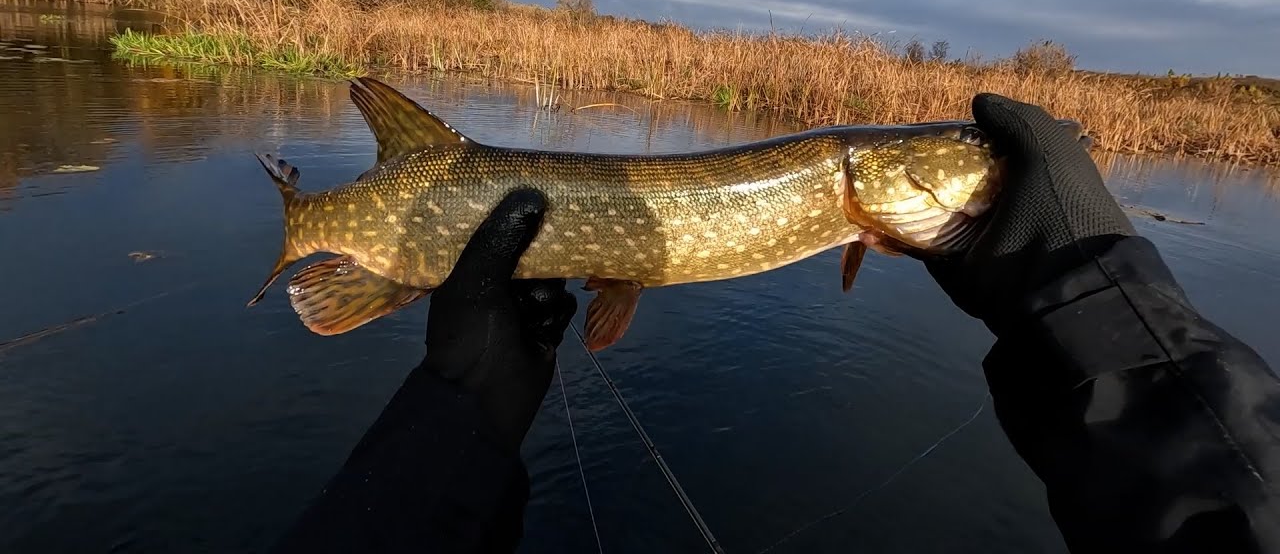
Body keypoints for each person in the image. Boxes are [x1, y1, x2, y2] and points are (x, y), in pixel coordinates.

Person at [270, 94, 1280, 554]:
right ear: (871, 174)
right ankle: (359, 249)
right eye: (962, 153)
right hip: (438, 214)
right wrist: (1096, 294)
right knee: (425, 237)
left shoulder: (850, 201)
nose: (981, 165)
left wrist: (457, 420)